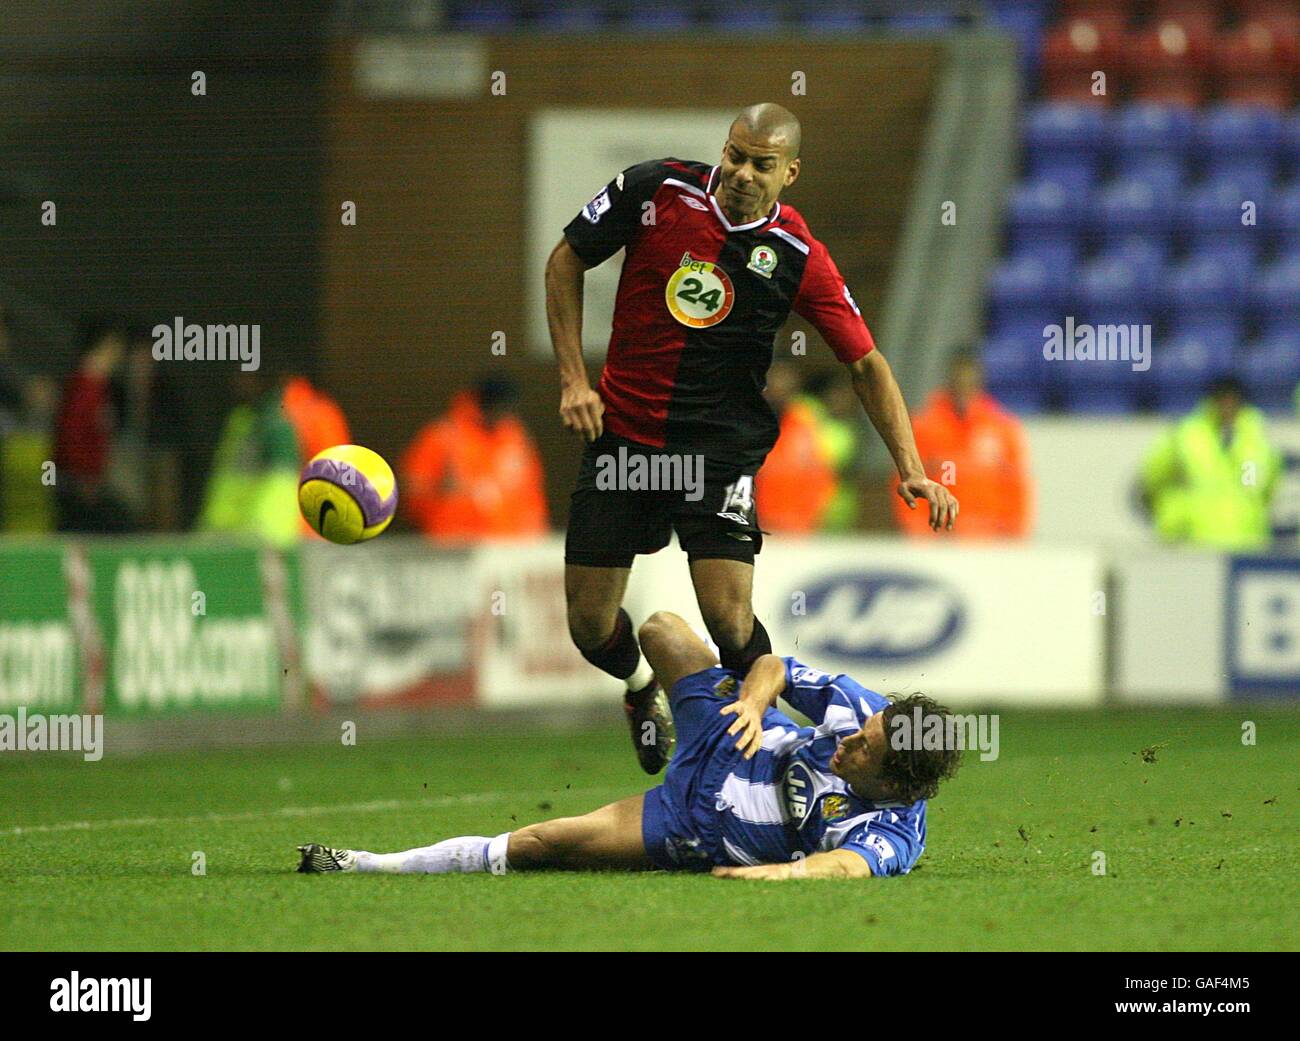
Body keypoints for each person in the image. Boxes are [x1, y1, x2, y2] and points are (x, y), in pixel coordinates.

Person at [545, 102, 959, 774]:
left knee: (730, 621)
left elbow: (865, 364)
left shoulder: (797, 255)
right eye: (734, 155)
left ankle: (772, 756)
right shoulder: (654, 191)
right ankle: (638, 687)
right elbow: (565, 261)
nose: (740, 173)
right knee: (590, 627)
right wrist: (572, 379)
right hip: (623, 438)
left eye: (760, 164)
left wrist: (910, 465)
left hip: (717, 454)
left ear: (788, 172)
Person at [297, 610, 962, 880]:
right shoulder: (864, 711)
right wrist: (756, 704)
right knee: (661, 629)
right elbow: (777, 667)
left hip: (692, 822)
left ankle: (364, 865)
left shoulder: (890, 831)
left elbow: (842, 868)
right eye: (860, 731)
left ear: (897, 786)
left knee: (544, 843)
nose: (849, 740)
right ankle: (643, 690)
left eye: (862, 751)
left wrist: (776, 873)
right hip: (732, 732)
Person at [893, 351, 1032, 540]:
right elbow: (907, 481)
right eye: (959, 382)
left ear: (979, 384)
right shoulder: (924, 427)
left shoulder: (1002, 428)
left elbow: (1015, 483)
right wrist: (917, 529)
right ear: (950, 382)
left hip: (989, 540)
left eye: (969, 383)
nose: (964, 389)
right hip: (938, 537)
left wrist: (1014, 532)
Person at [399, 375, 549, 542]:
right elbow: (410, 490)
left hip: (508, 546)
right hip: (454, 545)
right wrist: (439, 489)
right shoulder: (444, 435)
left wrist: (534, 535)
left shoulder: (515, 437)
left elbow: (531, 491)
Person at [1141, 375, 1281, 551]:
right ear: (1211, 400)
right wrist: (1174, 511)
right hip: (1193, 539)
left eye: (1233, 399)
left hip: (1246, 540)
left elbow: (1261, 487)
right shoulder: (1187, 433)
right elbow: (1154, 477)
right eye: (1222, 398)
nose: (1227, 405)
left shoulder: (1255, 436)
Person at [196, 367, 301, 547]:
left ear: (263, 380)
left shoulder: (276, 427)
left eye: (246, 376)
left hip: (258, 538)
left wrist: (258, 533)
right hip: (224, 533)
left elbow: (280, 488)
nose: (238, 381)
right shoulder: (241, 420)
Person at [53, 316, 134, 533]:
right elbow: (71, 435)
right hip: (80, 487)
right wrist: (84, 478)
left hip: (90, 483)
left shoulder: (98, 388)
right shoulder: (84, 388)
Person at [754, 361, 836, 533]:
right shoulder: (746, 422)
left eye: (785, 384)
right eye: (773, 383)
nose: (778, 390)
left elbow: (821, 474)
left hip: (799, 527)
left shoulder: (806, 423)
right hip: (755, 525)